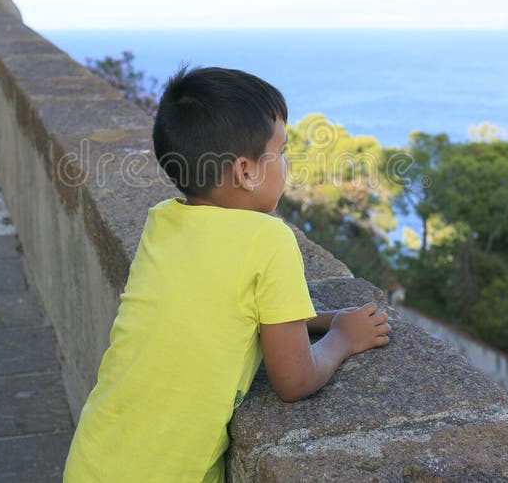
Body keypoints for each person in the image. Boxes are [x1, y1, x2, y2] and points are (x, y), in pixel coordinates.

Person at [62, 66, 392, 482]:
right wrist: (343, 337)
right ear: (246, 171)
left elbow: (217, 304)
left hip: (93, 458)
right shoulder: (269, 241)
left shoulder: (162, 221)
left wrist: (320, 316)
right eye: (281, 152)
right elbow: (293, 380)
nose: (287, 166)